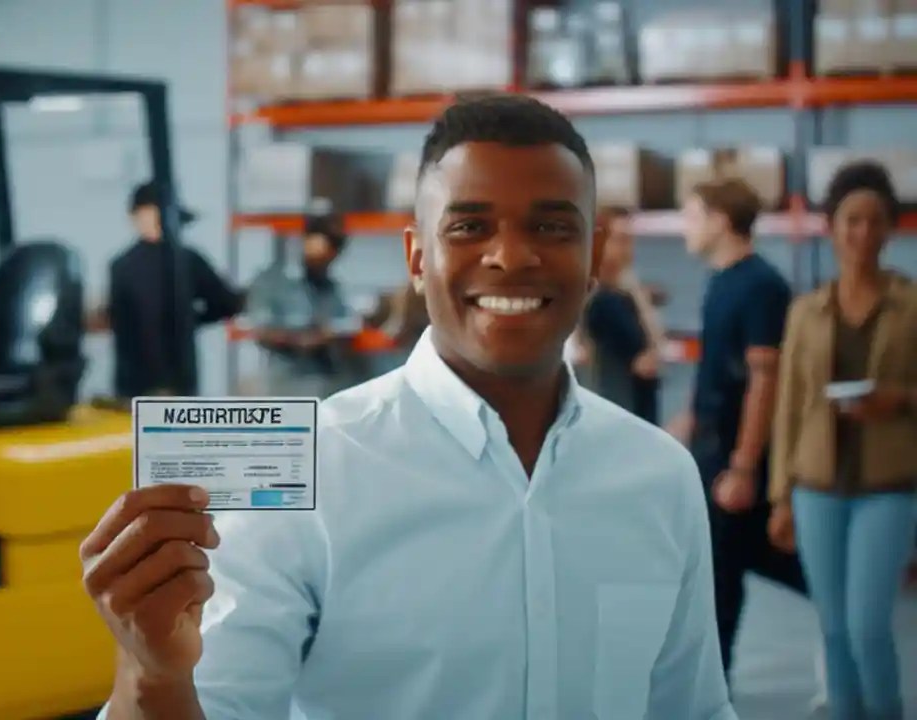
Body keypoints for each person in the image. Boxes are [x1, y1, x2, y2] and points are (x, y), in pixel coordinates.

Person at [81, 94, 735, 719]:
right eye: (469, 226)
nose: (510, 255)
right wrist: (153, 675)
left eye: (551, 226)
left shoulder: (660, 477)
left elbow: (693, 708)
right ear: (417, 257)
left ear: (594, 258)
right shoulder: (307, 475)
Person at [766, 161, 917, 720]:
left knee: (868, 626)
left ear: (890, 229)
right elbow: (788, 405)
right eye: (851, 220)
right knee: (832, 628)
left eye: (874, 221)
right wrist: (781, 493)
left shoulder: (911, 306)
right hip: (816, 486)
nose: (862, 233)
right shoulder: (806, 312)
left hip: (888, 483)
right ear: (832, 228)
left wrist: (898, 399)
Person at [671, 177, 807, 677]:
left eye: (691, 215)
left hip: (738, 457)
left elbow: (764, 378)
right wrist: (690, 419)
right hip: (713, 451)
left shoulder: (760, 286)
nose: (686, 226)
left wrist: (744, 467)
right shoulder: (720, 282)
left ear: (720, 220)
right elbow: (714, 363)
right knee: (719, 576)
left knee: (731, 580)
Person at [108, 181, 243, 398]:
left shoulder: (124, 265)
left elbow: (228, 303)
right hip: (159, 381)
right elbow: (228, 302)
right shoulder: (184, 260)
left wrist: (189, 320)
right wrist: (190, 320)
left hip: (143, 384)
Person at [244, 213, 363, 398]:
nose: (328, 259)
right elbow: (261, 331)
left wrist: (334, 335)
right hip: (288, 385)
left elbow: (345, 323)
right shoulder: (271, 282)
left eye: (334, 251)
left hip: (328, 384)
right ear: (307, 240)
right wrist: (303, 340)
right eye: (324, 249)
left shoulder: (331, 286)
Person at [581, 206, 662, 423]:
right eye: (620, 240)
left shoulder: (616, 295)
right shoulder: (606, 302)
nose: (628, 249)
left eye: (630, 240)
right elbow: (649, 362)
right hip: (622, 417)